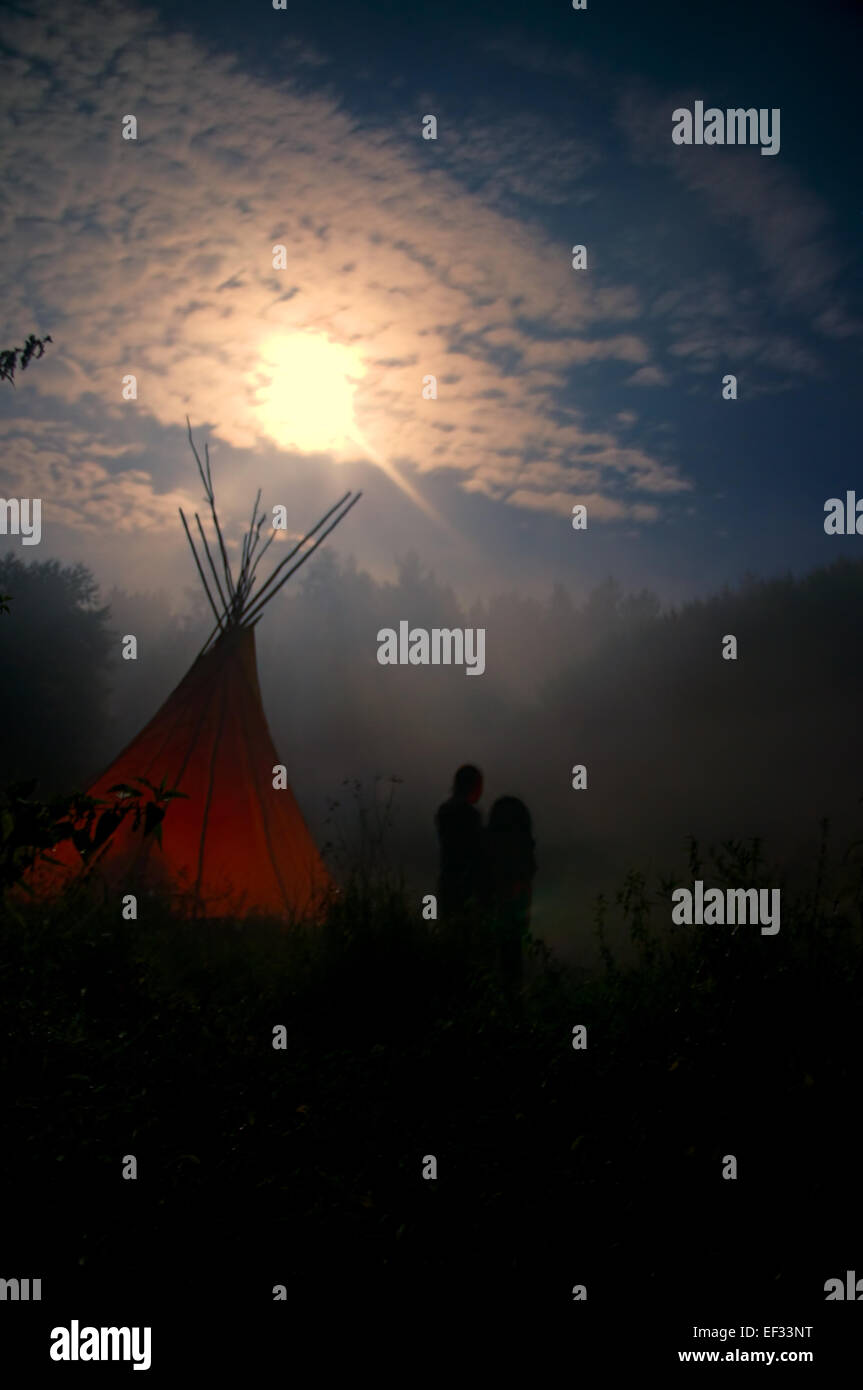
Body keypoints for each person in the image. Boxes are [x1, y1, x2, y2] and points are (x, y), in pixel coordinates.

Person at [483, 796, 536, 997]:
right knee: (511, 965)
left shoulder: (490, 846)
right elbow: (529, 871)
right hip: (510, 917)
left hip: (494, 915)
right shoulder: (521, 848)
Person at [434, 764, 484, 920]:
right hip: (465, 887)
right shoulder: (471, 815)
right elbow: (476, 852)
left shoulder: (444, 810)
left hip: (446, 883)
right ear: (473, 786)